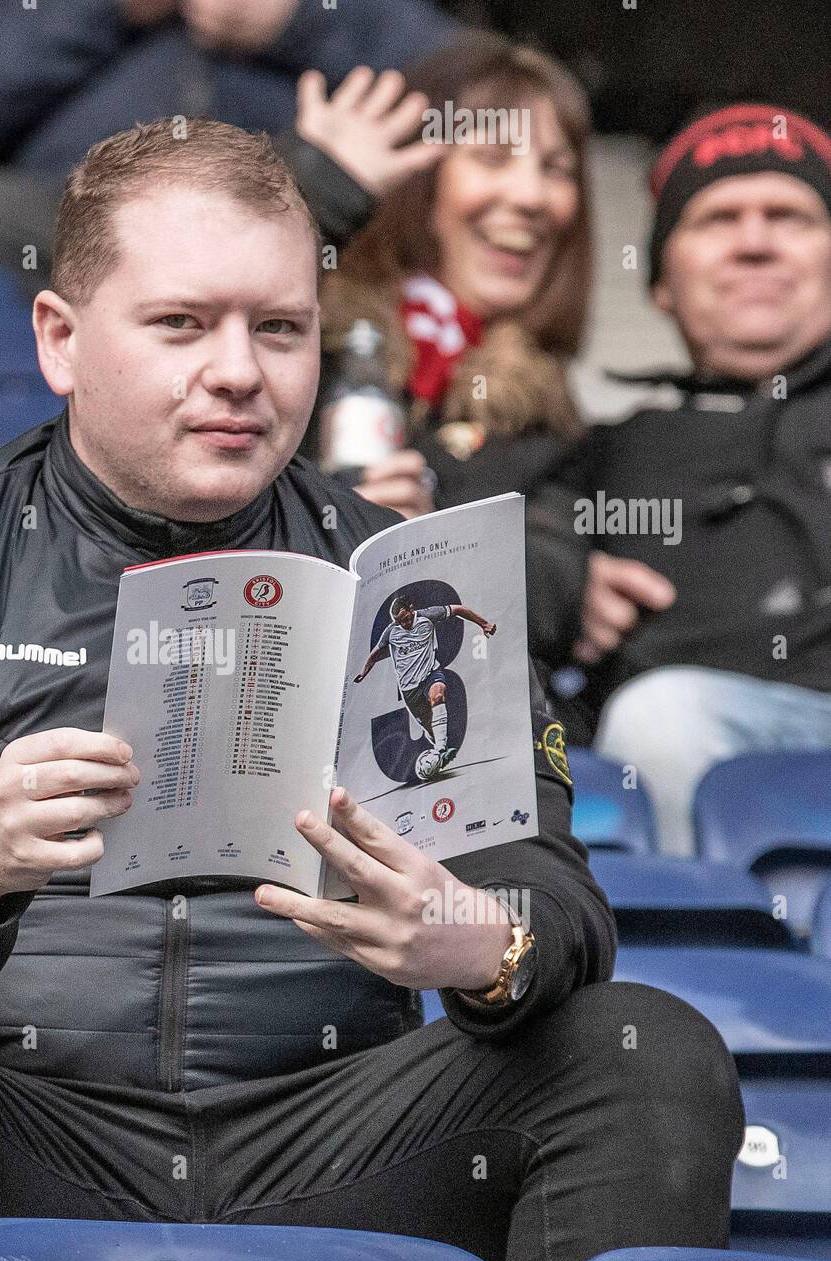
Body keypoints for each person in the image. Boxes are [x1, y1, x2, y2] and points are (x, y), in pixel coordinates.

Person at [0, 117, 743, 1261]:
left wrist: (480, 944)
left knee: (645, 1050)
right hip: (14, 1131)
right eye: (181, 324)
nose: (240, 371)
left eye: (280, 328)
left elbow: (557, 903)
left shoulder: (413, 584)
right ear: (60, 338)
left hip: (338, 1138)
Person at [532, 102, 831, 855]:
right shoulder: (604, 453)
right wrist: (569, 577)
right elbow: (513, 560)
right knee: (660, 717)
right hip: (685, 743)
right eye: (718, 219)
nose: (754, 243)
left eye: (789, 216)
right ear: (661, 283)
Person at [297, 35, 594, 678]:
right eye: (491, 157)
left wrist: (432, 541)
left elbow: (553, 596)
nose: (532, 195)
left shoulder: (540, 403)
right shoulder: (302, 330)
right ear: (419, 184)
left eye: (557, 168)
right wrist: (321, 198)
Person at [0, 0, 457, 286]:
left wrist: (300, 23)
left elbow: (474, 99)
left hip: (305, 248)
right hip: (82, 245)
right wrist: (112, 8)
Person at [352, 591, 498, 773]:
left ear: (411, 609)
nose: (403, 624)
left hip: (430, 673)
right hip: (409, 688)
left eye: (405, 619)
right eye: (399, 621)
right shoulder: (391, 632)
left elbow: (459, 609)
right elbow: (374, 654)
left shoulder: (428, 615)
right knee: (431, 728)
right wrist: (363, 673)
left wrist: (484, 624)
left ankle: (440, 751)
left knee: (438, 694)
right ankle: (438, 753)